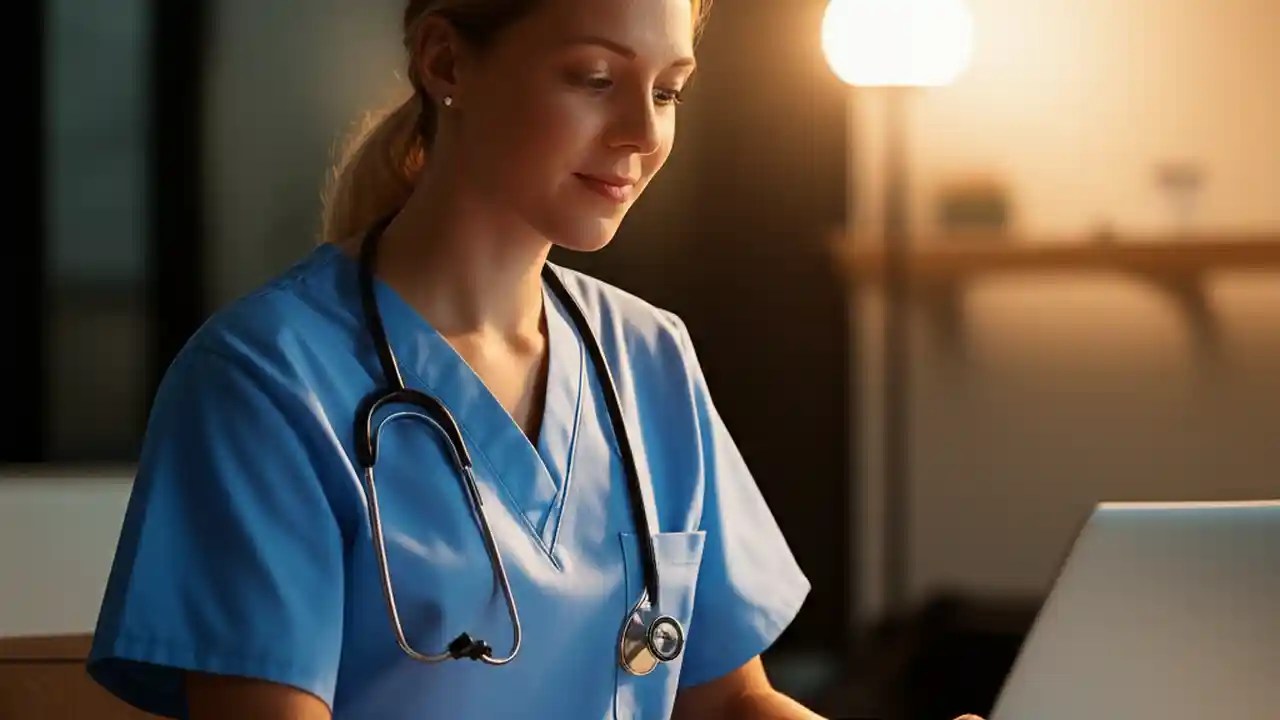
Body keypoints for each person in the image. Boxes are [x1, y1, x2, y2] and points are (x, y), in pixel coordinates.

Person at [84, 0, 836, 717]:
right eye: (596, 80)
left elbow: (731, 701)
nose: (642, 131)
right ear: (445, 62)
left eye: (668, 92)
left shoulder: (648, 356)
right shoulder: (265, 380)